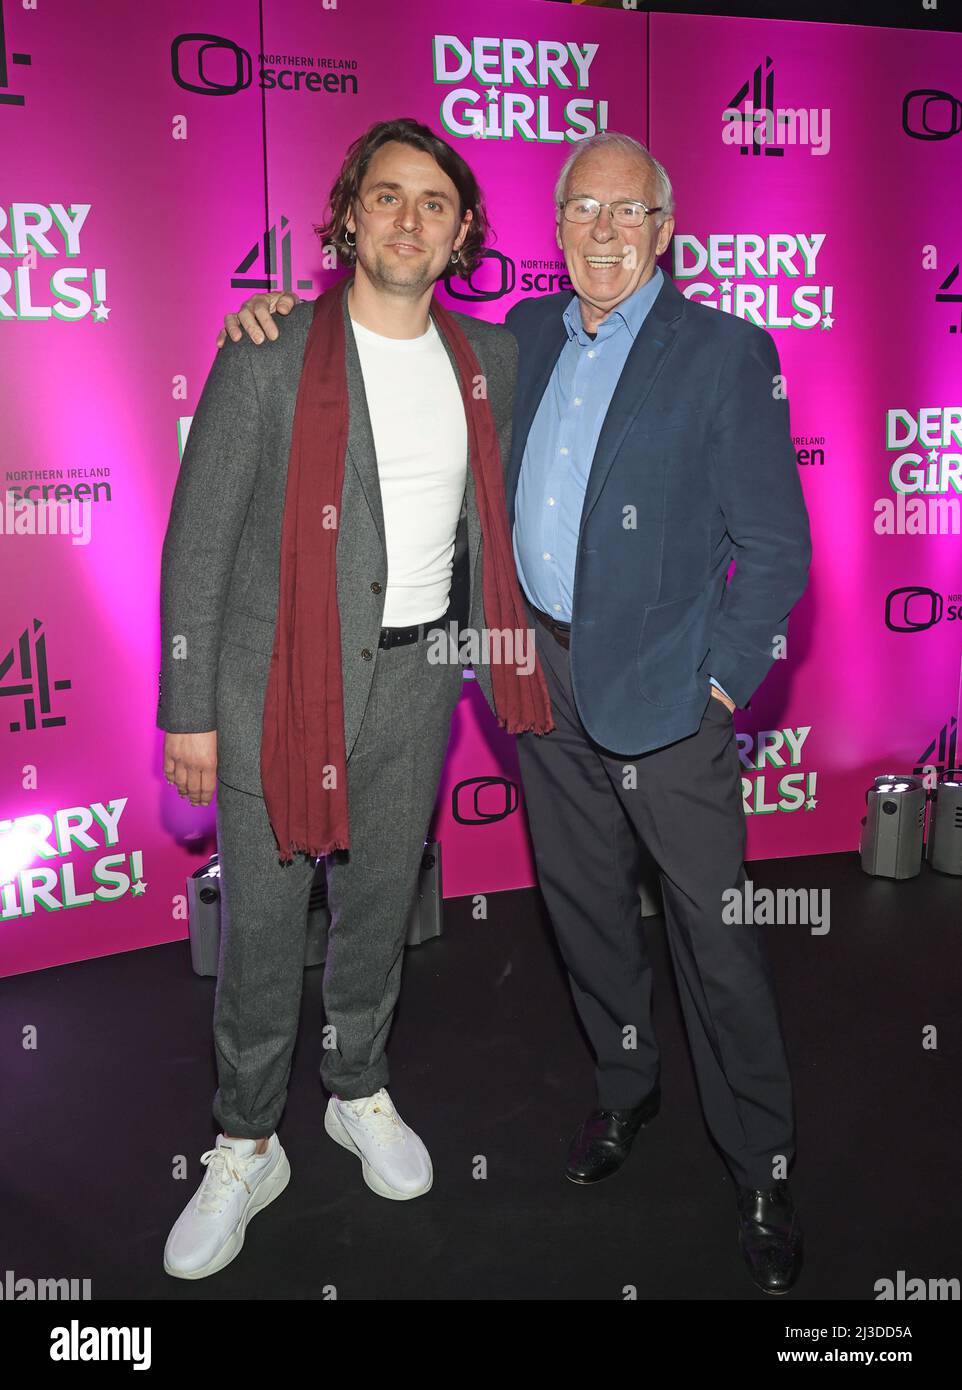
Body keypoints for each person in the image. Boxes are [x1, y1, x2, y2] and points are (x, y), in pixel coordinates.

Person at [222, 130, 812, 1295]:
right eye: (582, 212)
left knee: (714, 942)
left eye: (626, 214)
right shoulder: (517, 337)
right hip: (533, 680)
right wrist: (271, 322)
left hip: (667, 704)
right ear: (555, 228)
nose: (603, 234)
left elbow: (776, 545)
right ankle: (624, 1092)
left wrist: (719, 682)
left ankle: (761, 1161)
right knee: (587, 918)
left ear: (662, 230)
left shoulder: (726, 353)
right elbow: (381, 343)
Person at [157, 116, 552, 1281]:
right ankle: (243, 1143)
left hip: (422, 675)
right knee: (266, 931)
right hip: (275, 685)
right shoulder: (267, 351)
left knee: (378, 906)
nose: (407, 218)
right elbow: (196, 545)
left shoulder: (494, 361)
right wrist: (190, 704)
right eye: (386, 196)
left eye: (433, 203)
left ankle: (359, 1088)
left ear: (462, 233)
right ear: (346, 216)